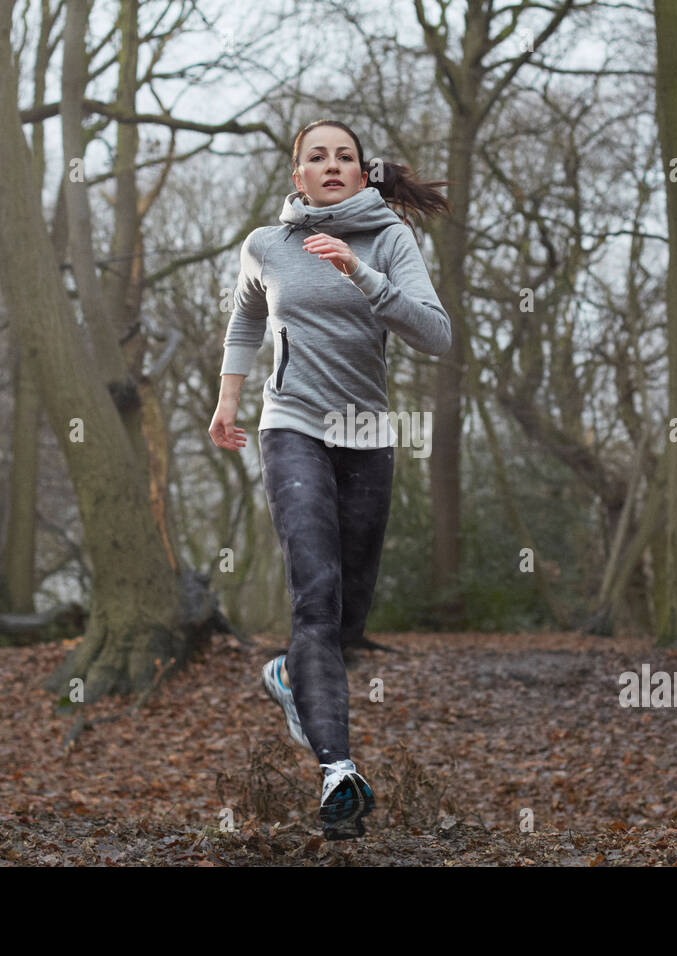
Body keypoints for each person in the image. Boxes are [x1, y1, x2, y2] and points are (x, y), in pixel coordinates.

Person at [209, 119, 452, 840]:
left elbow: (435, 334)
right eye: (318, 156)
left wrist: (361, 273)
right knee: (314, 598)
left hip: (367, 435)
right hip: (293, 429)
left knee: (346, 618)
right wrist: (227, 403)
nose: (333, 164)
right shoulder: (266, 245)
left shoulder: (389, 240)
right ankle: (337, 772)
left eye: (345, 155)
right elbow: (247, 319)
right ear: (298, 175)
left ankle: (290, 678)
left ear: (362, 171)